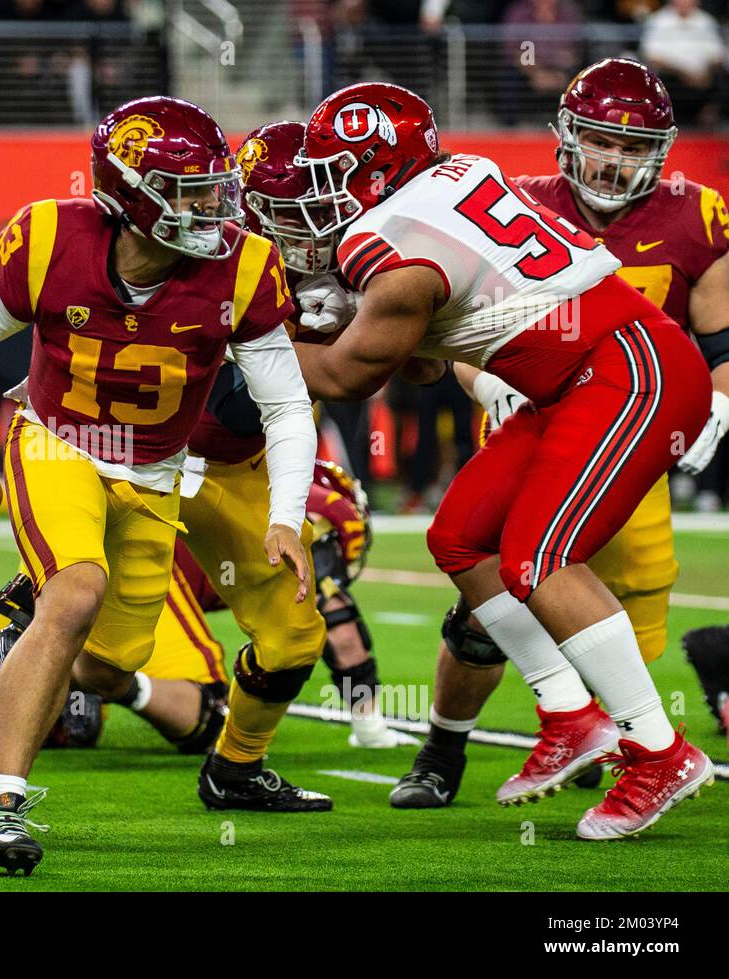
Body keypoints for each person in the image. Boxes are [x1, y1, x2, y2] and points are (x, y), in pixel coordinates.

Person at [0, 96, 318, 875]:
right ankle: (0, 807)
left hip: (155, 477)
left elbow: (286, 404)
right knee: (76, 592)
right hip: (57, 446)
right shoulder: (54, 241)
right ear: (128, 194)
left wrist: (285, 516)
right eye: (186, 192)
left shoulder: (243, 267)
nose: (210, 208)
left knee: (111, 663)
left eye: (212, 188)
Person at [290, 80, 713, 840]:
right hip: (579, 379)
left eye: (333, 171)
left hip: (627, 366)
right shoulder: (464, 174)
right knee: (460, 533)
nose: (324, 193)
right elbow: (419, 360)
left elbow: (349, 377)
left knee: (538, 559)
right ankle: (568, 713)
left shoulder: (383, 235)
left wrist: (235, 344)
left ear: (376, 168)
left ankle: (660, 750)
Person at [392, 58, 729, 808]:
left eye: (635, 147)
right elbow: (454, 331)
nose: (615, 161)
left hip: (631, 440)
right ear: (566, 137)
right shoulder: (509, 203)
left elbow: (722, 342)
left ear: (663, 152)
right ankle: (444, 748)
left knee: (619, 613)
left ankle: (629, 750)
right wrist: (491, 383)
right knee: (481, 602)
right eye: (602, 141)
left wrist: (721, 403)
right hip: (534, 422)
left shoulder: (695, 215)